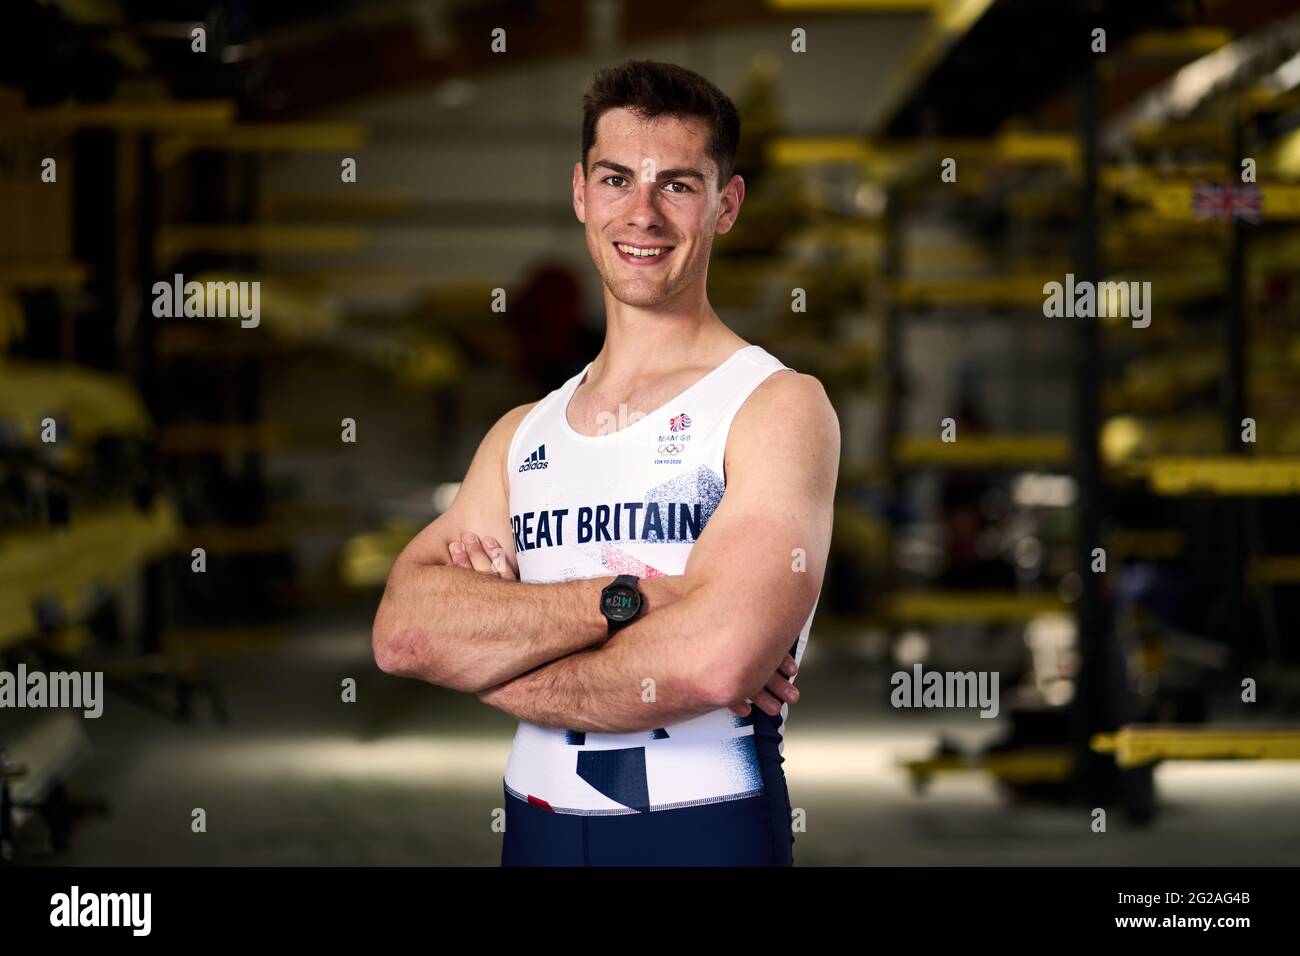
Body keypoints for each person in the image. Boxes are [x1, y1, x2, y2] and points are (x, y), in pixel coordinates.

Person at [372, 60, 839, 866]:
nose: (643, 214)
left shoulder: (774, 406)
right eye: (618, 179)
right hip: (537, 827)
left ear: (726, 205)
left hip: (701, 826)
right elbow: (407, 633)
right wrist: (632, 601)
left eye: (679, 186)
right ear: (582, 193)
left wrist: (495, 661)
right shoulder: (522, 434)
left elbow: (715, 662)